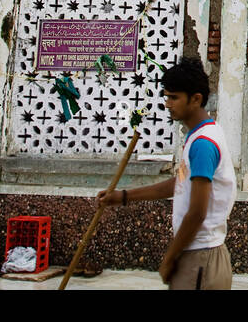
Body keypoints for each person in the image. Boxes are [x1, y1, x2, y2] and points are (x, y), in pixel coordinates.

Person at [98, 58, 236, 290]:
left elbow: (197, 213)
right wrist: (121, 197)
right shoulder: (197, 136)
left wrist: (170, 257)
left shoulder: (203, 143)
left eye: (174, 98)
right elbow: (180, 184)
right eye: (166, 97)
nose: (167, 104)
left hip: (200, 258)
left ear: (196, 99)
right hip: (197, 255)